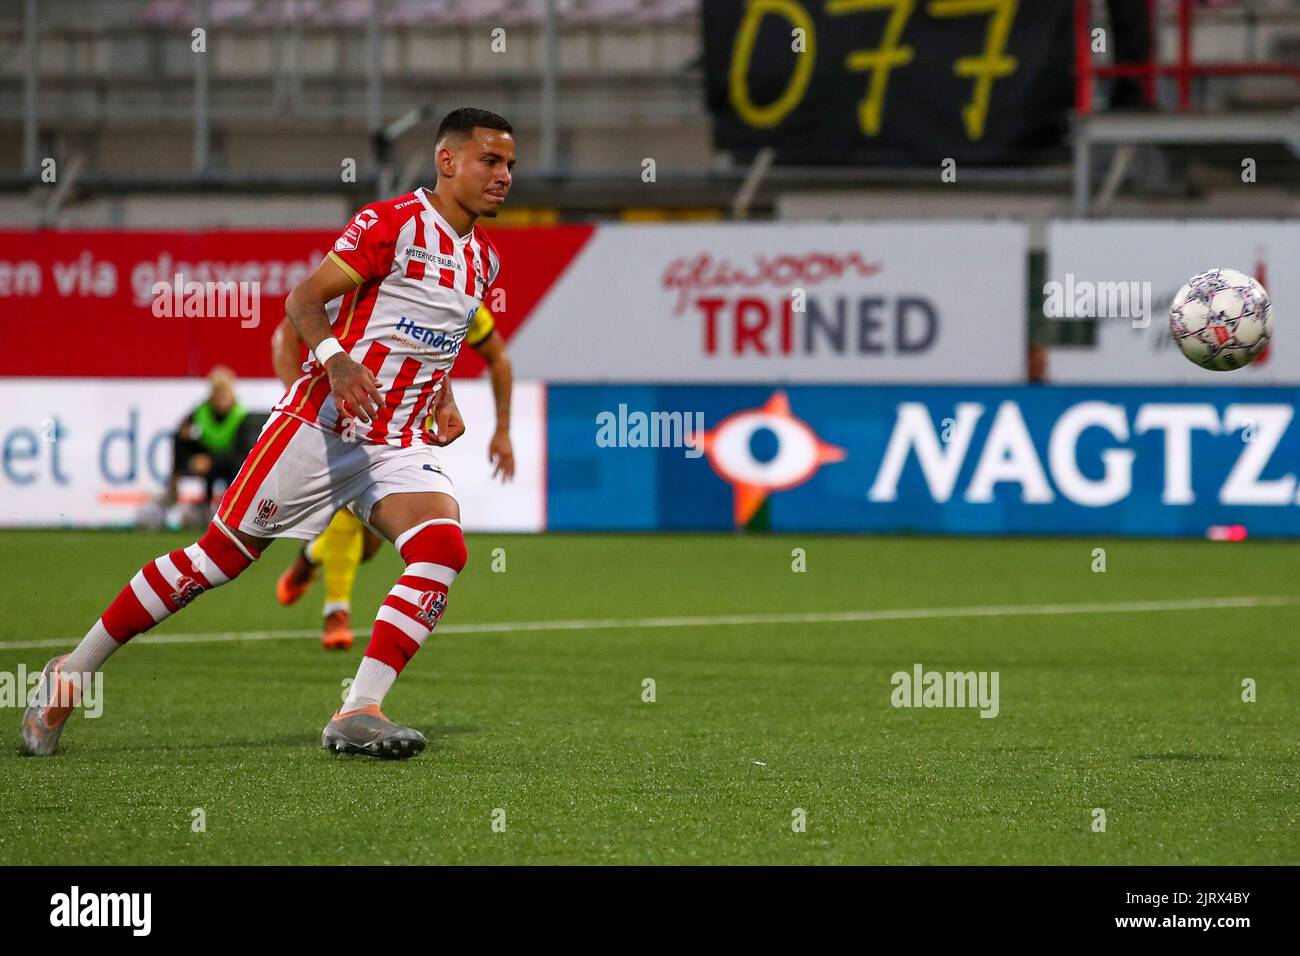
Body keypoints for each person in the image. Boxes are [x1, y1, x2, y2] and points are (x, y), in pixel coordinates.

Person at [22, 107, 515, 761]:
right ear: (447, 160)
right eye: (490, 160)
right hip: (321, 421)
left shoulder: (482, 260)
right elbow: (304, 301)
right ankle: (72, 671)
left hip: (396, 439)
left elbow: (430, 336)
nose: (504, 175)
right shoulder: (390, 224)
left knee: (442, 548)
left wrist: (445, 397)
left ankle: (358, 708)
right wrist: (337, 362)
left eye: (510, 164)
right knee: (217, 561)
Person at [269, 303, 515, 650]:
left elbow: (496, 358)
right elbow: (288, 329)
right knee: (345, 518)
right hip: (339, 414)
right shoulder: (371, 275)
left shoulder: (462, 298)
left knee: (366, 547)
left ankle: (308, 559)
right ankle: (336, 612)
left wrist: (501, 429)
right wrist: (303, 398)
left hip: (397, 429)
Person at [168, 366, 252, 512]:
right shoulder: (201, 411)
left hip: (230, 465)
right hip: (207, 462)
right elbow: (181, 436)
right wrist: (189, 461)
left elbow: (242, 452)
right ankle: (197, 505)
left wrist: (211, 460)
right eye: (217, 392)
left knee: (231, 467)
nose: (221, 397)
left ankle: (229, 509)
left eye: (224, 391)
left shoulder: (241, 415)